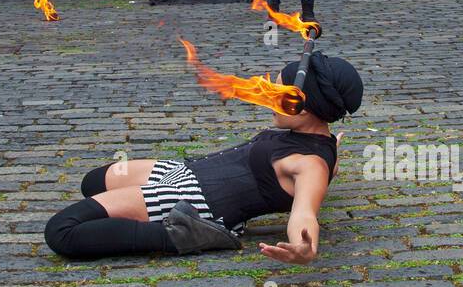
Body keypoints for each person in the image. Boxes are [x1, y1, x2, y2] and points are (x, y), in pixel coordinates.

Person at [44, 53, 362, 261]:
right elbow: (323, 162)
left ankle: (187, 235)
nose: (266, 97)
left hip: (193, 199)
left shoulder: (311, 165)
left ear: (304, 107)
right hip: (187, 170)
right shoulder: (317, 138)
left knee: (62, 231)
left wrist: (305, 247)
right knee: (94, 181)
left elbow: (304, 213)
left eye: (275, 93)